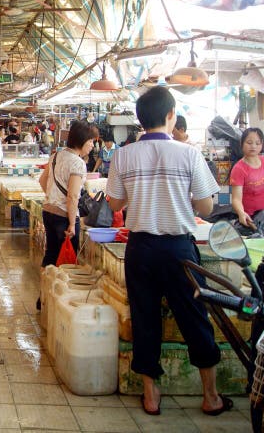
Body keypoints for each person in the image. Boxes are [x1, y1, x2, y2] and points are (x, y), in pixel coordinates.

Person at [106, 86, 228, 416]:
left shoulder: (124, 155)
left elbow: (115, 204)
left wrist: (139, 191)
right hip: (178, 249)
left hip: (141, 249)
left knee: (145, 318)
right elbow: (206, 205)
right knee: (194, 317)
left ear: (140, 119)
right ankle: (211, 395)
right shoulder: (188, 154)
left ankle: (150, 395)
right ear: (171, 115)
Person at [37, 120, 98, 306]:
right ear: (82, 140)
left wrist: (53, 198)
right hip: (65, 217)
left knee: (51, 254)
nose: (92, 145)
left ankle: (43, 297)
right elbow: (73, 196)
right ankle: (59, 302)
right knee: (66, 261)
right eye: (91, 141)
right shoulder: (78, 163)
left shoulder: (56, 156)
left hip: (48, 211)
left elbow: (42, 181)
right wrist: (72, 223)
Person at [230, 127, 264, 230]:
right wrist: (241, 213)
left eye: (257, 143)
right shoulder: (238, 169)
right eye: (249, 142)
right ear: (242, 144)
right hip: (250, 218)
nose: (253, 146)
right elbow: (236, 199)